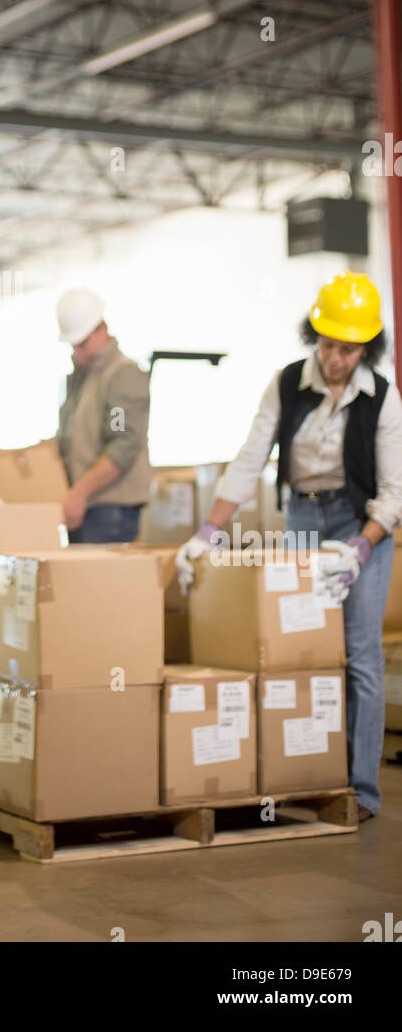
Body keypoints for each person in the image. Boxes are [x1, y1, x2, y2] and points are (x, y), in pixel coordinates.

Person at [175, 271, 402, 823]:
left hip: (358, 526)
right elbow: (251, 460)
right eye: (327, 344)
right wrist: (208, 532)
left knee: (359, 656)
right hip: (302, 516)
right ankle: (304, 775)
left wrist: (360, 550)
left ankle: (360, 791)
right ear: (314, 337)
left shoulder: (384, 399)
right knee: (297, 651)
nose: (335, 358)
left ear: (365, 349)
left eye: (348, 350)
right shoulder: (285, 384)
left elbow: (393, 493)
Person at [55, 288, 151, 543]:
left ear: (102, 329)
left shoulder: (122, 375)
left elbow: (123, 443)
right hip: (86, 507)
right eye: (73, 345)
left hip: (110, 512)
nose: (77, 352)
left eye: (82, 343)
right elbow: (69, 440)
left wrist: (79, 492)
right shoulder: (84, 378)